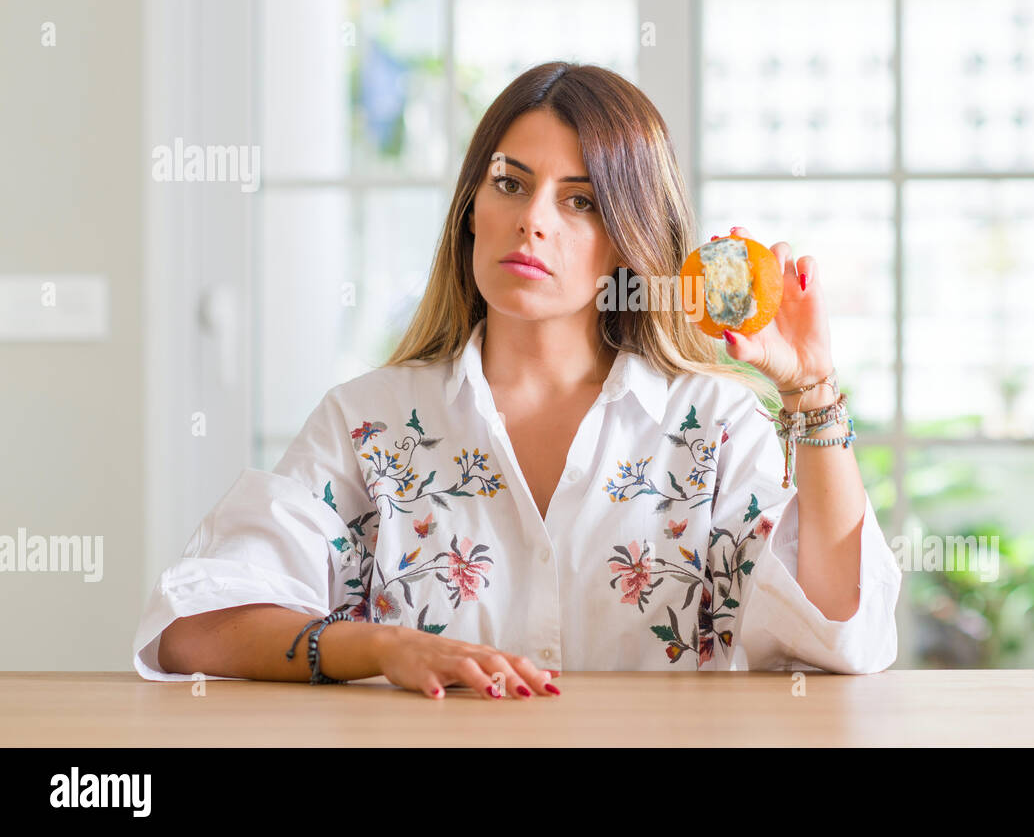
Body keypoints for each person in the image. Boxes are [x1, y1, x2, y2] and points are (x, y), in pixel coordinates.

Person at [133, 61, 901, 700]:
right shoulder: (367, 422)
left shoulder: (717, 423)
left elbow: (840, 632)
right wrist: (380, 648)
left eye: (580, 201)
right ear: (472, 207)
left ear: (628, 243)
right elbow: (196, 624)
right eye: (510, 183)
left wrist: (811, 387)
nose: (533, 219)